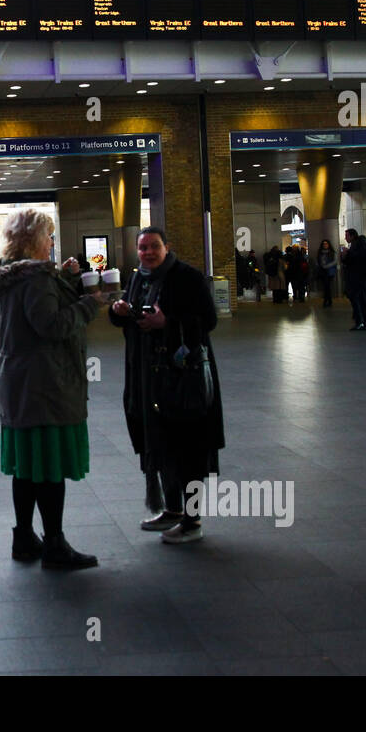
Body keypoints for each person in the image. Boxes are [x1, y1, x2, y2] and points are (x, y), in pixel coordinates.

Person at [0, 208, 108, 570]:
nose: (52, 243)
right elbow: (51, 325)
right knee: (50, 466)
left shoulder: (12, 277)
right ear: (36, 240)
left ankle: (24, 536)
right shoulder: (36, 279)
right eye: (49, 237)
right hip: (45, 384)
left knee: (26, 466)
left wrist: (65, 280)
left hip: (18, 382)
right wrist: (88, 303)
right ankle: (55, 543)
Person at [110, 228, 225, 544]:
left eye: (154, 247)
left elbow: (208, 321)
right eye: (143, 247)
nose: (148, 252)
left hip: (181, 379)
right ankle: (173, 510)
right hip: (148, 378)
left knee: (188, 448)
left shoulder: (186, 277)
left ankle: (192, 520)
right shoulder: (139, 278)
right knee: (160, 444)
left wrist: (168, 323)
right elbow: (134, 314)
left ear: (167, 247)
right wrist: (119, 312)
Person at [341, 228, 366, 330]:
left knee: (357, 300)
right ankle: (365, 322)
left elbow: (356, 260)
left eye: (346, 236)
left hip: (357, 278)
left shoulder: (358, 245)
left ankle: (361, 322)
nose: (345, 238)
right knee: (361, 300)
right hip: (359, 278)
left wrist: (347, 254)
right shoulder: (357, 245)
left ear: (352, 236)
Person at [315, 239, 338, 308]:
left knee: (327, 286)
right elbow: (317, 261)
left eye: (326, 243)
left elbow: (335, 261)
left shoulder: (332, 252)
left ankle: (326, 301)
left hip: (329, 271)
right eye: (324, 244)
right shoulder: (320, 253)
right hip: (322, 271)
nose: (325, 245)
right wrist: (319, 265)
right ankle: (329, 300)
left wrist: (327, 266)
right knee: (326, 286)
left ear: (329, 244)